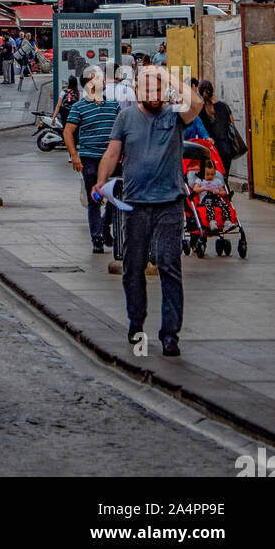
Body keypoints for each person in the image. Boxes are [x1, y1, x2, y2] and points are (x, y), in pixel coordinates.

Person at [95, 64, 203, 357]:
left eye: (158, 89)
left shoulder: (174, 115)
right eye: (148, 88)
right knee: (133, 267)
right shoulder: (126, 117)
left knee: (169, 265)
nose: (154, 94)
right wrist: (100, 181)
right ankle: (136, 322)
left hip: (169, 203)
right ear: (136, 92)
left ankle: (170, 334)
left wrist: (164, 75)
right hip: (135, 204)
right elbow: (113, 152)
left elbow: (196, 103)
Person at [63, 67, 119, 254]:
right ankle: (97, 238)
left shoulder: (113, 105)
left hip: (112, 160)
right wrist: (74, 155)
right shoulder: (79, 107)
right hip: (90, 159)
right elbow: (68, 131)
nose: (102, 82)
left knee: (115, 196)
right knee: (94, 200)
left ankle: (105, 224)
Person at [197, 79, 242, 180]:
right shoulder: (224, 106)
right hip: (225, 149)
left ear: (200, 93)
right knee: (223, 179)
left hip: (210, 151)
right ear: (212, 91)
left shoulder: (199, 110)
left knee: (211, 180)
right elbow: (232, 126)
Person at [188, 157, 230, 231]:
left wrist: (219, 192)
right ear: (202, 172)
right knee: (209, 205)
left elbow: (223, 192)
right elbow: (195, 189)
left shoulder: (217, 181)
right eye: (207, 174)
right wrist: (204, 188)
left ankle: (227, 221)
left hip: (216, 198)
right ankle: (212, 222)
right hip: (206, 200)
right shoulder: (200, 181)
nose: (210, 176)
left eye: (212, 174)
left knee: (224, 205)